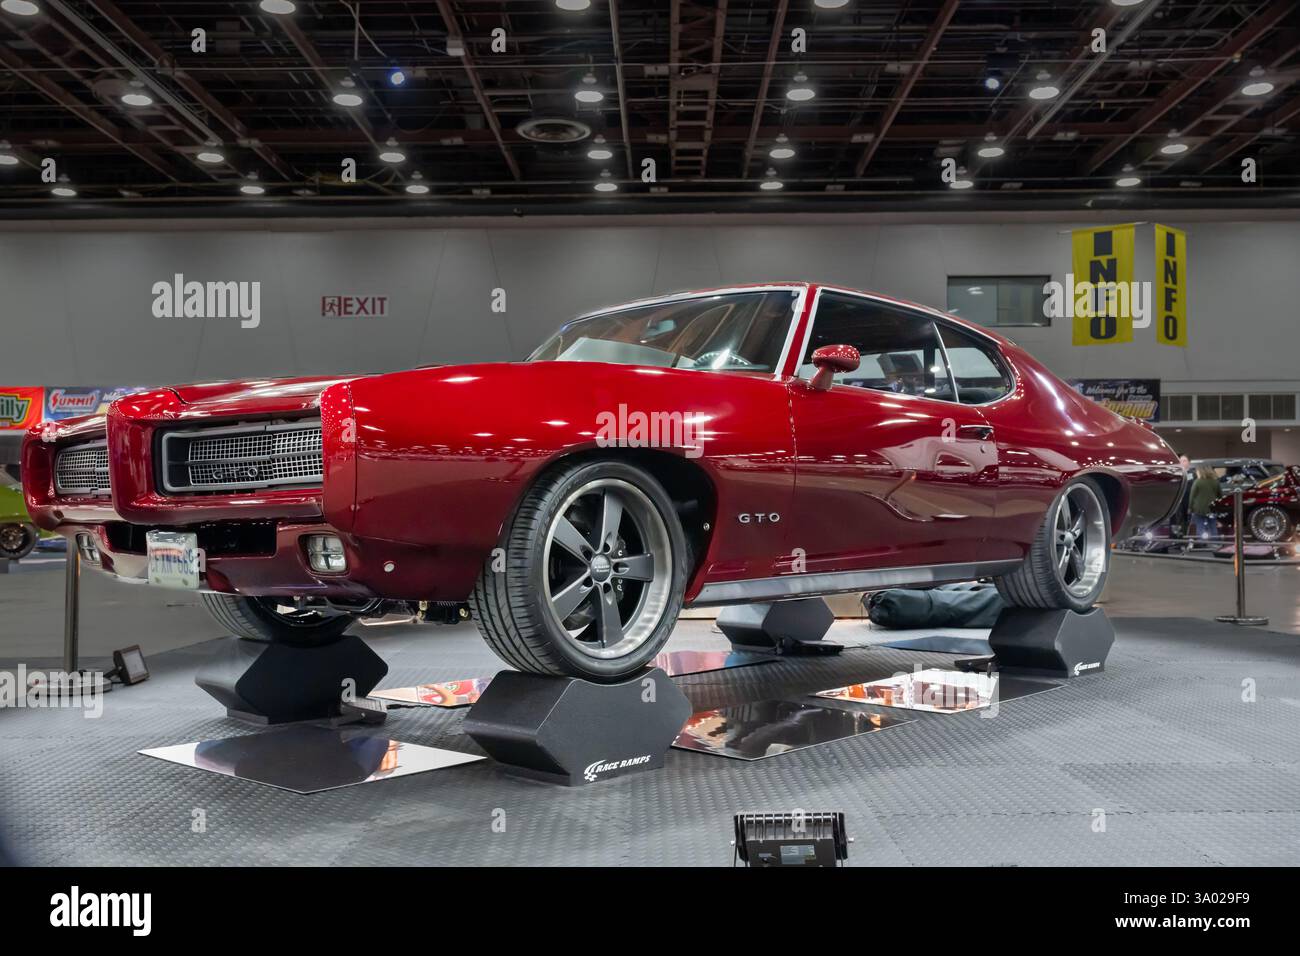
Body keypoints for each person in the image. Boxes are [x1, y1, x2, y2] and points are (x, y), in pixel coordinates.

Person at [1187, 465, 1221, 542]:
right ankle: (1215, 542)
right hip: (1212, 509)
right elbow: (1220, 495)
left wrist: (1190, 508)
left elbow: (1192, 496)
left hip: (1199, 509)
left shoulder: (1197, 482)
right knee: (1213, 526)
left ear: (1200, 471)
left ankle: (1201, 542)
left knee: (1200, 526)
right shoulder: (1215, 482)